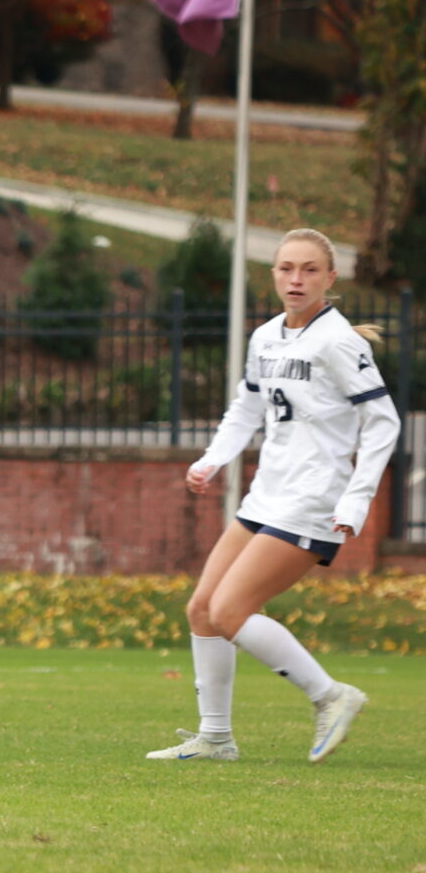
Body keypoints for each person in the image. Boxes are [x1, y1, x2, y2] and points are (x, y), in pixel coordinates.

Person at [147, 227, 399, 764]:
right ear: (274, 275)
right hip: (267, 494)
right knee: (202, 610)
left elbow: (383, 423)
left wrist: (356, 499)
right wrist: (213, 459)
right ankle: (216, 738)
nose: (296, 279)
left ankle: (331, 696)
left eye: (310, 269)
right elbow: (247, 407)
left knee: (230, 610)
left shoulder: (338, 341)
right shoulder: (265, 337)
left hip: (314, 500)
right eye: (286, 268)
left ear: (330, 278)